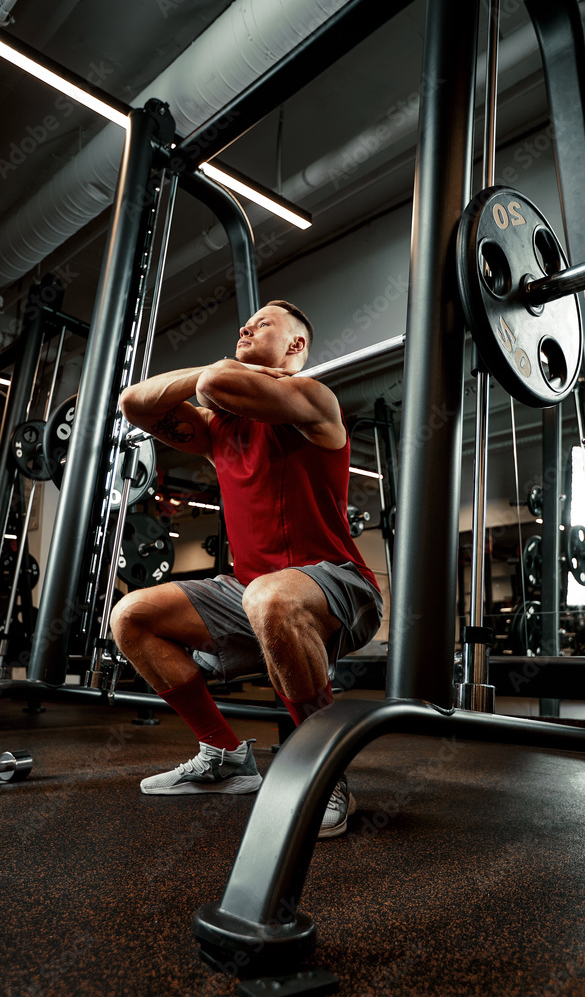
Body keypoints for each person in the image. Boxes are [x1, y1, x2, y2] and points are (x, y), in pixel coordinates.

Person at [111, 300, 383, 837]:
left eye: (262, 324)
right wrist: (211, 373)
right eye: (245, 323)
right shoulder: (218, 431)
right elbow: (132, 404)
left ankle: (323, 771)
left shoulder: (314, 400)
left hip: (339, 584)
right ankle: (225, 755)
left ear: (296, 347)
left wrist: (219, 376)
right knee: (131, 616)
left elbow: (214, 386)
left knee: (270, 599)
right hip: (249, 589)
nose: (246, 327)